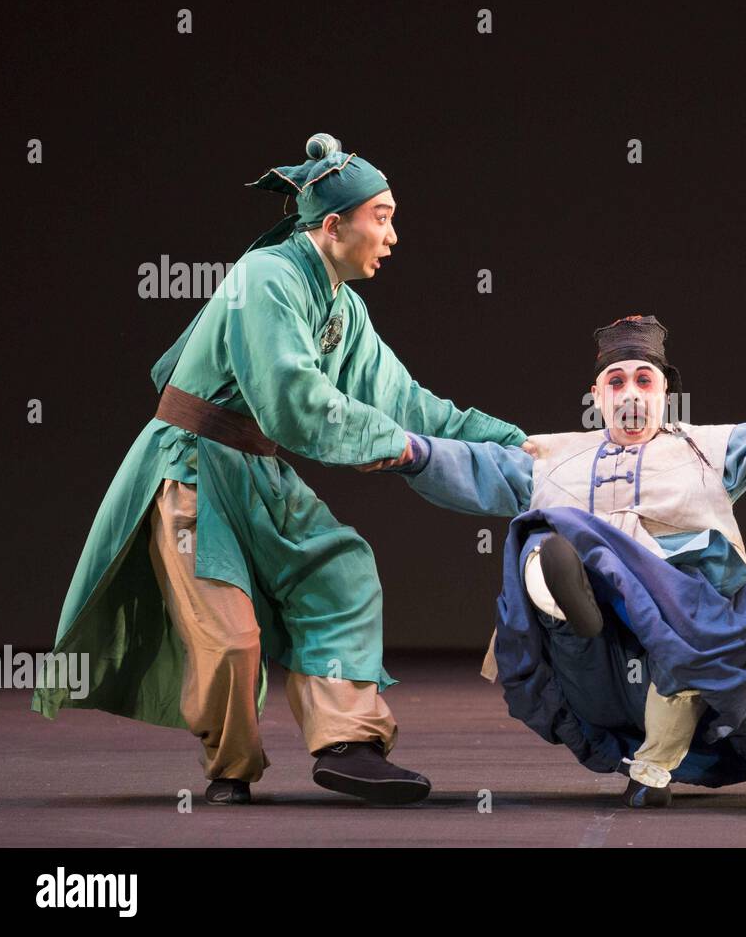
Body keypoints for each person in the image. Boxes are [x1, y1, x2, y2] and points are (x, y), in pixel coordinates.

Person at [32, 133, 529, 806]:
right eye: (381, 217)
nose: (393, 235)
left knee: (340, 571)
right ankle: (230, 768)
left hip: (258, 472)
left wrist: (517, 445)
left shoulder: (342, 307)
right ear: (332, 225)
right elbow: (295, 400)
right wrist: (401, 448)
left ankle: (346, 742)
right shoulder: (264, 279)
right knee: (229, 635)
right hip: (192, 468)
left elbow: (409, 405)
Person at [394, 315, 746, 807]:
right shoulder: (553, 455)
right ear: (597, 394)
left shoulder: (708, 447)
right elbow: (479, 465)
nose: (631, 393)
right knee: (538, 541)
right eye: (617, 381)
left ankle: (653, 765)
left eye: (644, 380)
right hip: (597, 644)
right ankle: (572, 597)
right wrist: (410, 450)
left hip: (683, 617)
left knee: (700, 613)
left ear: (664, 391)